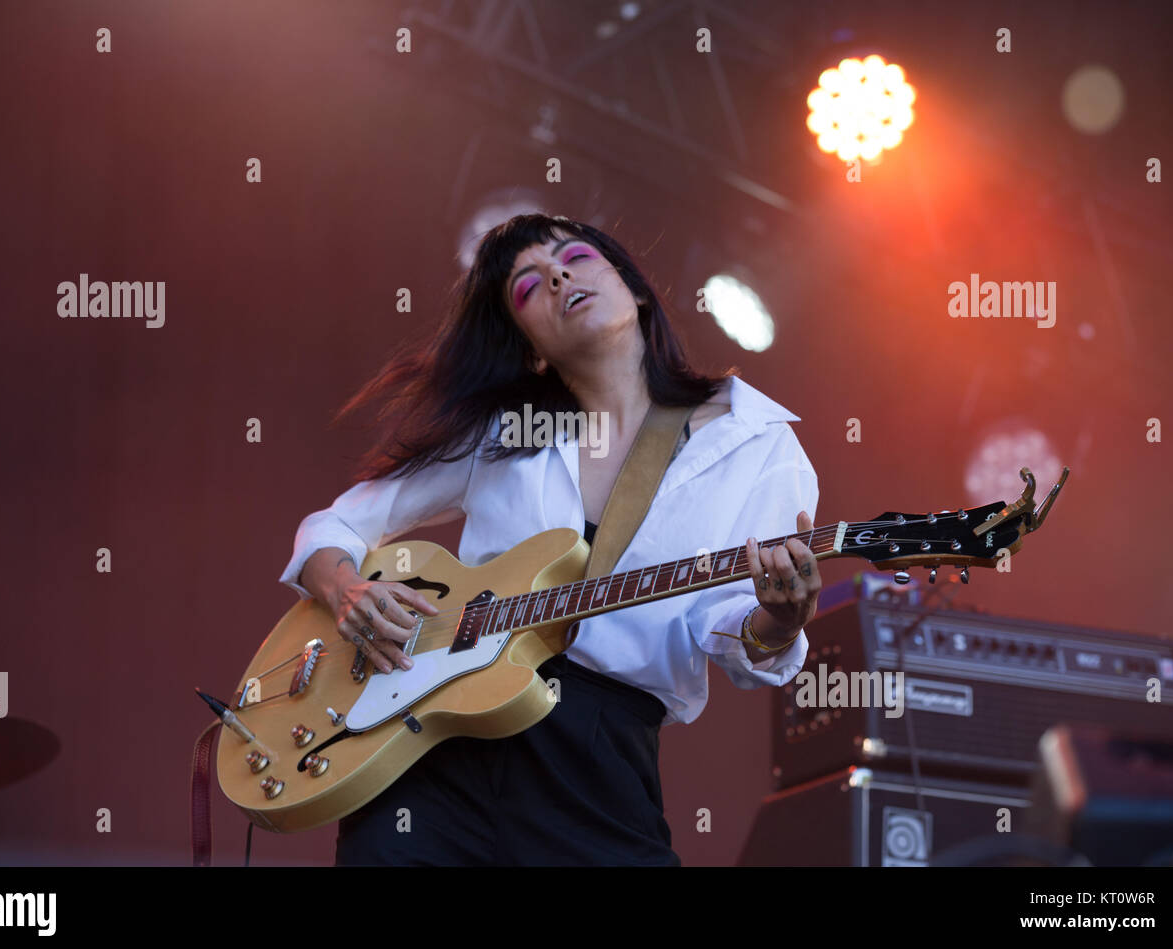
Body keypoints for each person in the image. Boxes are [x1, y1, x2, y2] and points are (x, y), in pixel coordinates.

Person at [279, 213, 821, 865]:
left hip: (597, 766)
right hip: (432, 751)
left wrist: (781, 618)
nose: (559, 274)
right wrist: (347, 590)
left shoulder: (756, 441)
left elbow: (735, 637)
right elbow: (332, 527)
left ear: (637, 290)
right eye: (528, 287)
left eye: (578, 256)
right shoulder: (501, 436)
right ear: (531, 346)